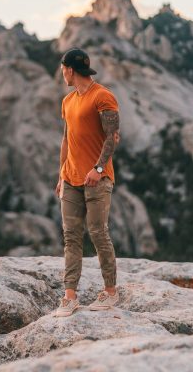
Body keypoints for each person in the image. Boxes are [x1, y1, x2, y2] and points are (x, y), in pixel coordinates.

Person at [53, 47, 121, 317]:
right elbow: (66, 140)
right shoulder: (68, 101)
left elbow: (112, 137)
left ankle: (111, 292)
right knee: (71, 237)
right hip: (70, 179)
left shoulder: (102, 96)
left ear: (70, 69)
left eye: (62, 70)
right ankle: (70, 296)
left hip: (97, 179)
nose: (62, 74)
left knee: (97, 232)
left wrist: (99, 167)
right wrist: (61, 174)